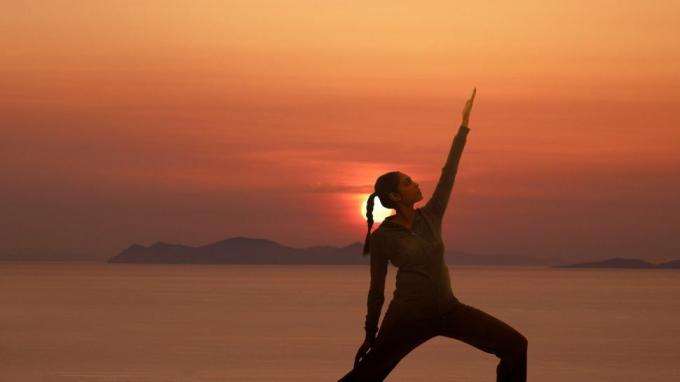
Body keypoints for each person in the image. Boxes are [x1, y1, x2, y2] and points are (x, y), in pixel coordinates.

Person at [338, 88, 528, 382]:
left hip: (449, 310)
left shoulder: (431, 215)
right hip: (406, 319)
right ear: (395, 196)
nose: (416, 184)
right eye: (408, 183)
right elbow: (377, 290)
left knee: (515, 346)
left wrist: (463, 126)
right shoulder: (382, 238)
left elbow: (448, 172)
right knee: (366, 376)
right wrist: (370, 334)